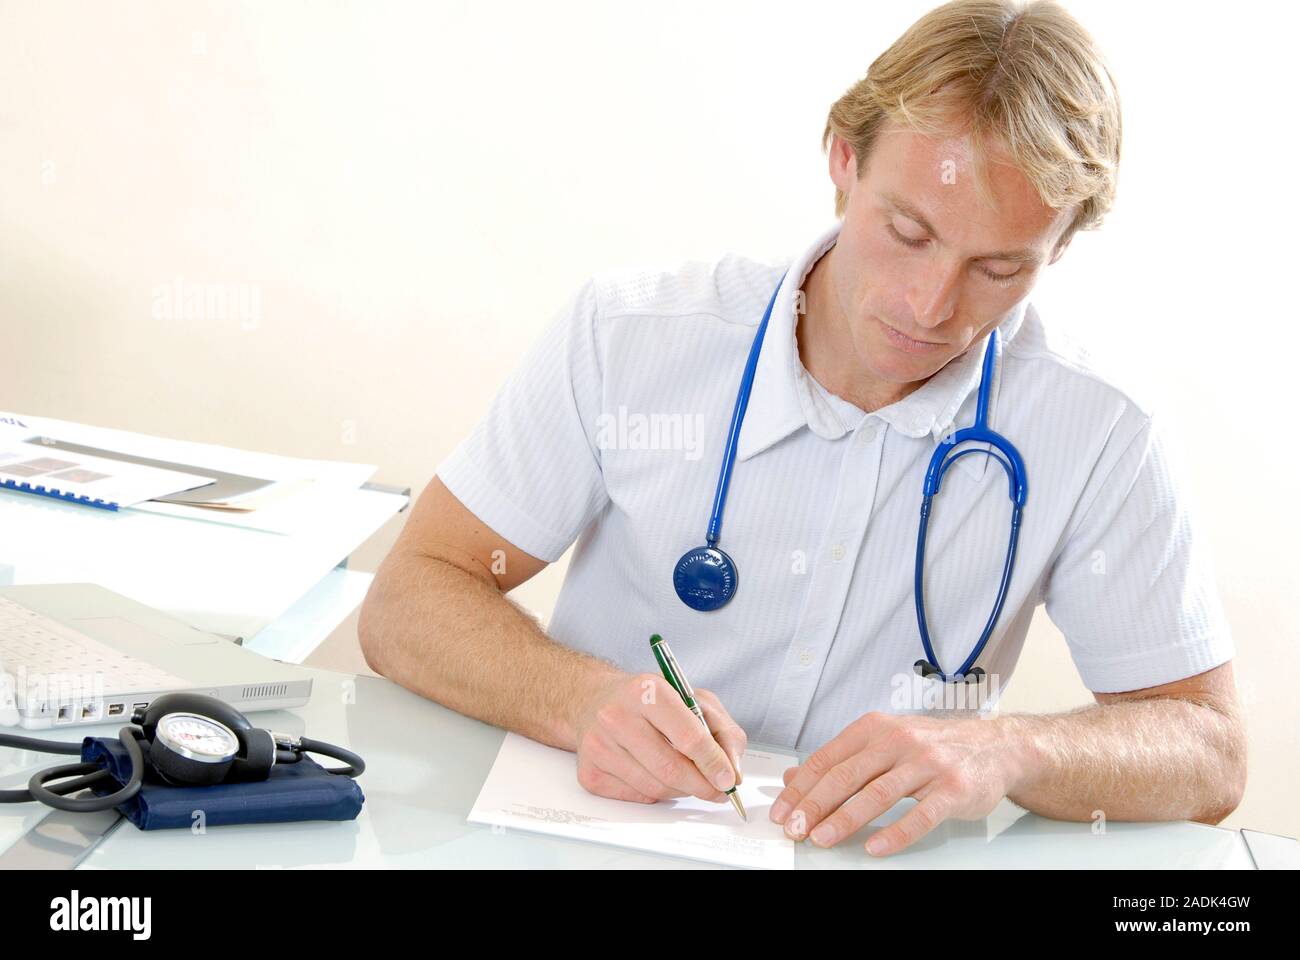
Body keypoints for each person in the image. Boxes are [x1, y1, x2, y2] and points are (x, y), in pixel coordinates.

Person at [359, 0, 1245, 857]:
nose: (930, 306)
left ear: (1058, 249)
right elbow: (410, 598)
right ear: (842, 158)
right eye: (908, 232)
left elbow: (1208, 753)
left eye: (998, 267)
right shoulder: (630, 337)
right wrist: (582, 701)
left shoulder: (1100, 429)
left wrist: (1012, 749)